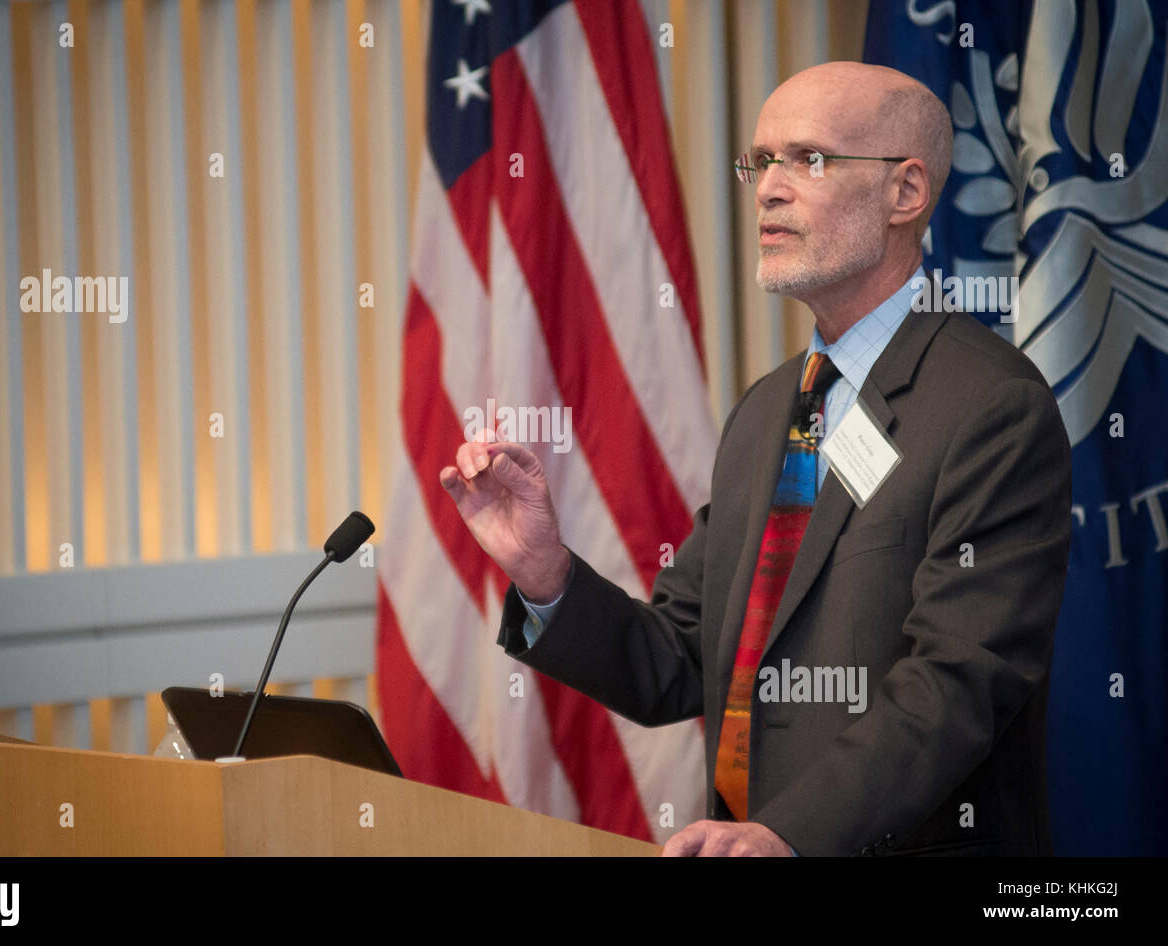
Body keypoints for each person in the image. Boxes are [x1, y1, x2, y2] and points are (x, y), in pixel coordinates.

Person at [439, 62, 1071, 856]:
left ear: (906, 193)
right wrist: (545, 576)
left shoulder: (991, 407)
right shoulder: (769, 410)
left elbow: (957, 685)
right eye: (761, 161)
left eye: (808, 159)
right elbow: (678, 660)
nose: (769, 187)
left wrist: (786, 834)